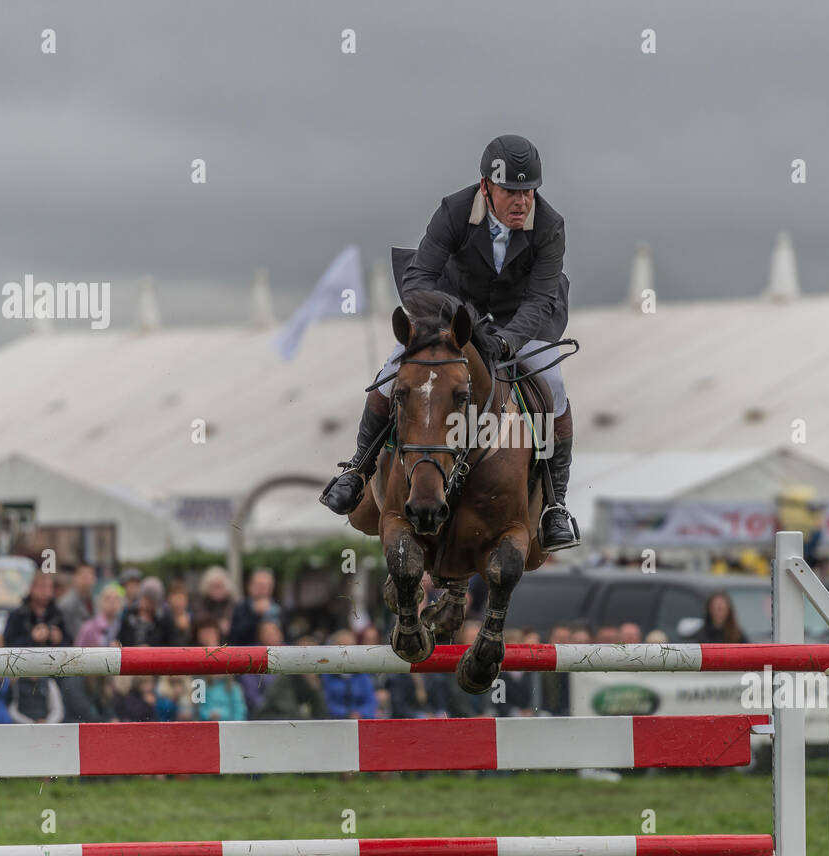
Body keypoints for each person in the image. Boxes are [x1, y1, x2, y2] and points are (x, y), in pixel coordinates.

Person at [320, 133, 579, 551]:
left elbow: (539, 298)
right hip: (453, 315)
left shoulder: (550, 227)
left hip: (524, 320)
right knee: (391, 373)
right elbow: (419, 277)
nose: (522, 201)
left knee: (555, 389)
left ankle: (555, 505)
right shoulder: (454, 211)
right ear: (485, 187)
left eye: (528, 191)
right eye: (511, 192)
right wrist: (446, 330)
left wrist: (508, 342)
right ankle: (358, 469)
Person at [3, 572, 66, 648]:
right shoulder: (18, 615)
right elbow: (8, 645)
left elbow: (71, 643)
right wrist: (32, 638)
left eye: (50, 587)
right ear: (32, 588)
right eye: (42, 587)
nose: (47, 592)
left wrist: (59, 639)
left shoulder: (58, 614)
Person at [114, 578, 175, 647]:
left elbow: (171, 645)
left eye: (150, 600)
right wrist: (116, 643)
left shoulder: (164, 619)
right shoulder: (129, 614)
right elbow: (120, 638)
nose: (145, 603)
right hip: (130, 656)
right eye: (144, 597)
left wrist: (151, 649)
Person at [228, 568, 279, 645]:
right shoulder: (241, 608)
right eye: (259, 585)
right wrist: (255, 615)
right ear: (250, 586)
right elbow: (235, 637)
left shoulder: (278, 608)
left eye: (266, 585)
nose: (263, 589)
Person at [56, 564, 97, 643]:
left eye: (89, 577)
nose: (86, 582)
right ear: (75, 578)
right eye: (84, 578)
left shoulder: (96, 601)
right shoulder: (65, 604)